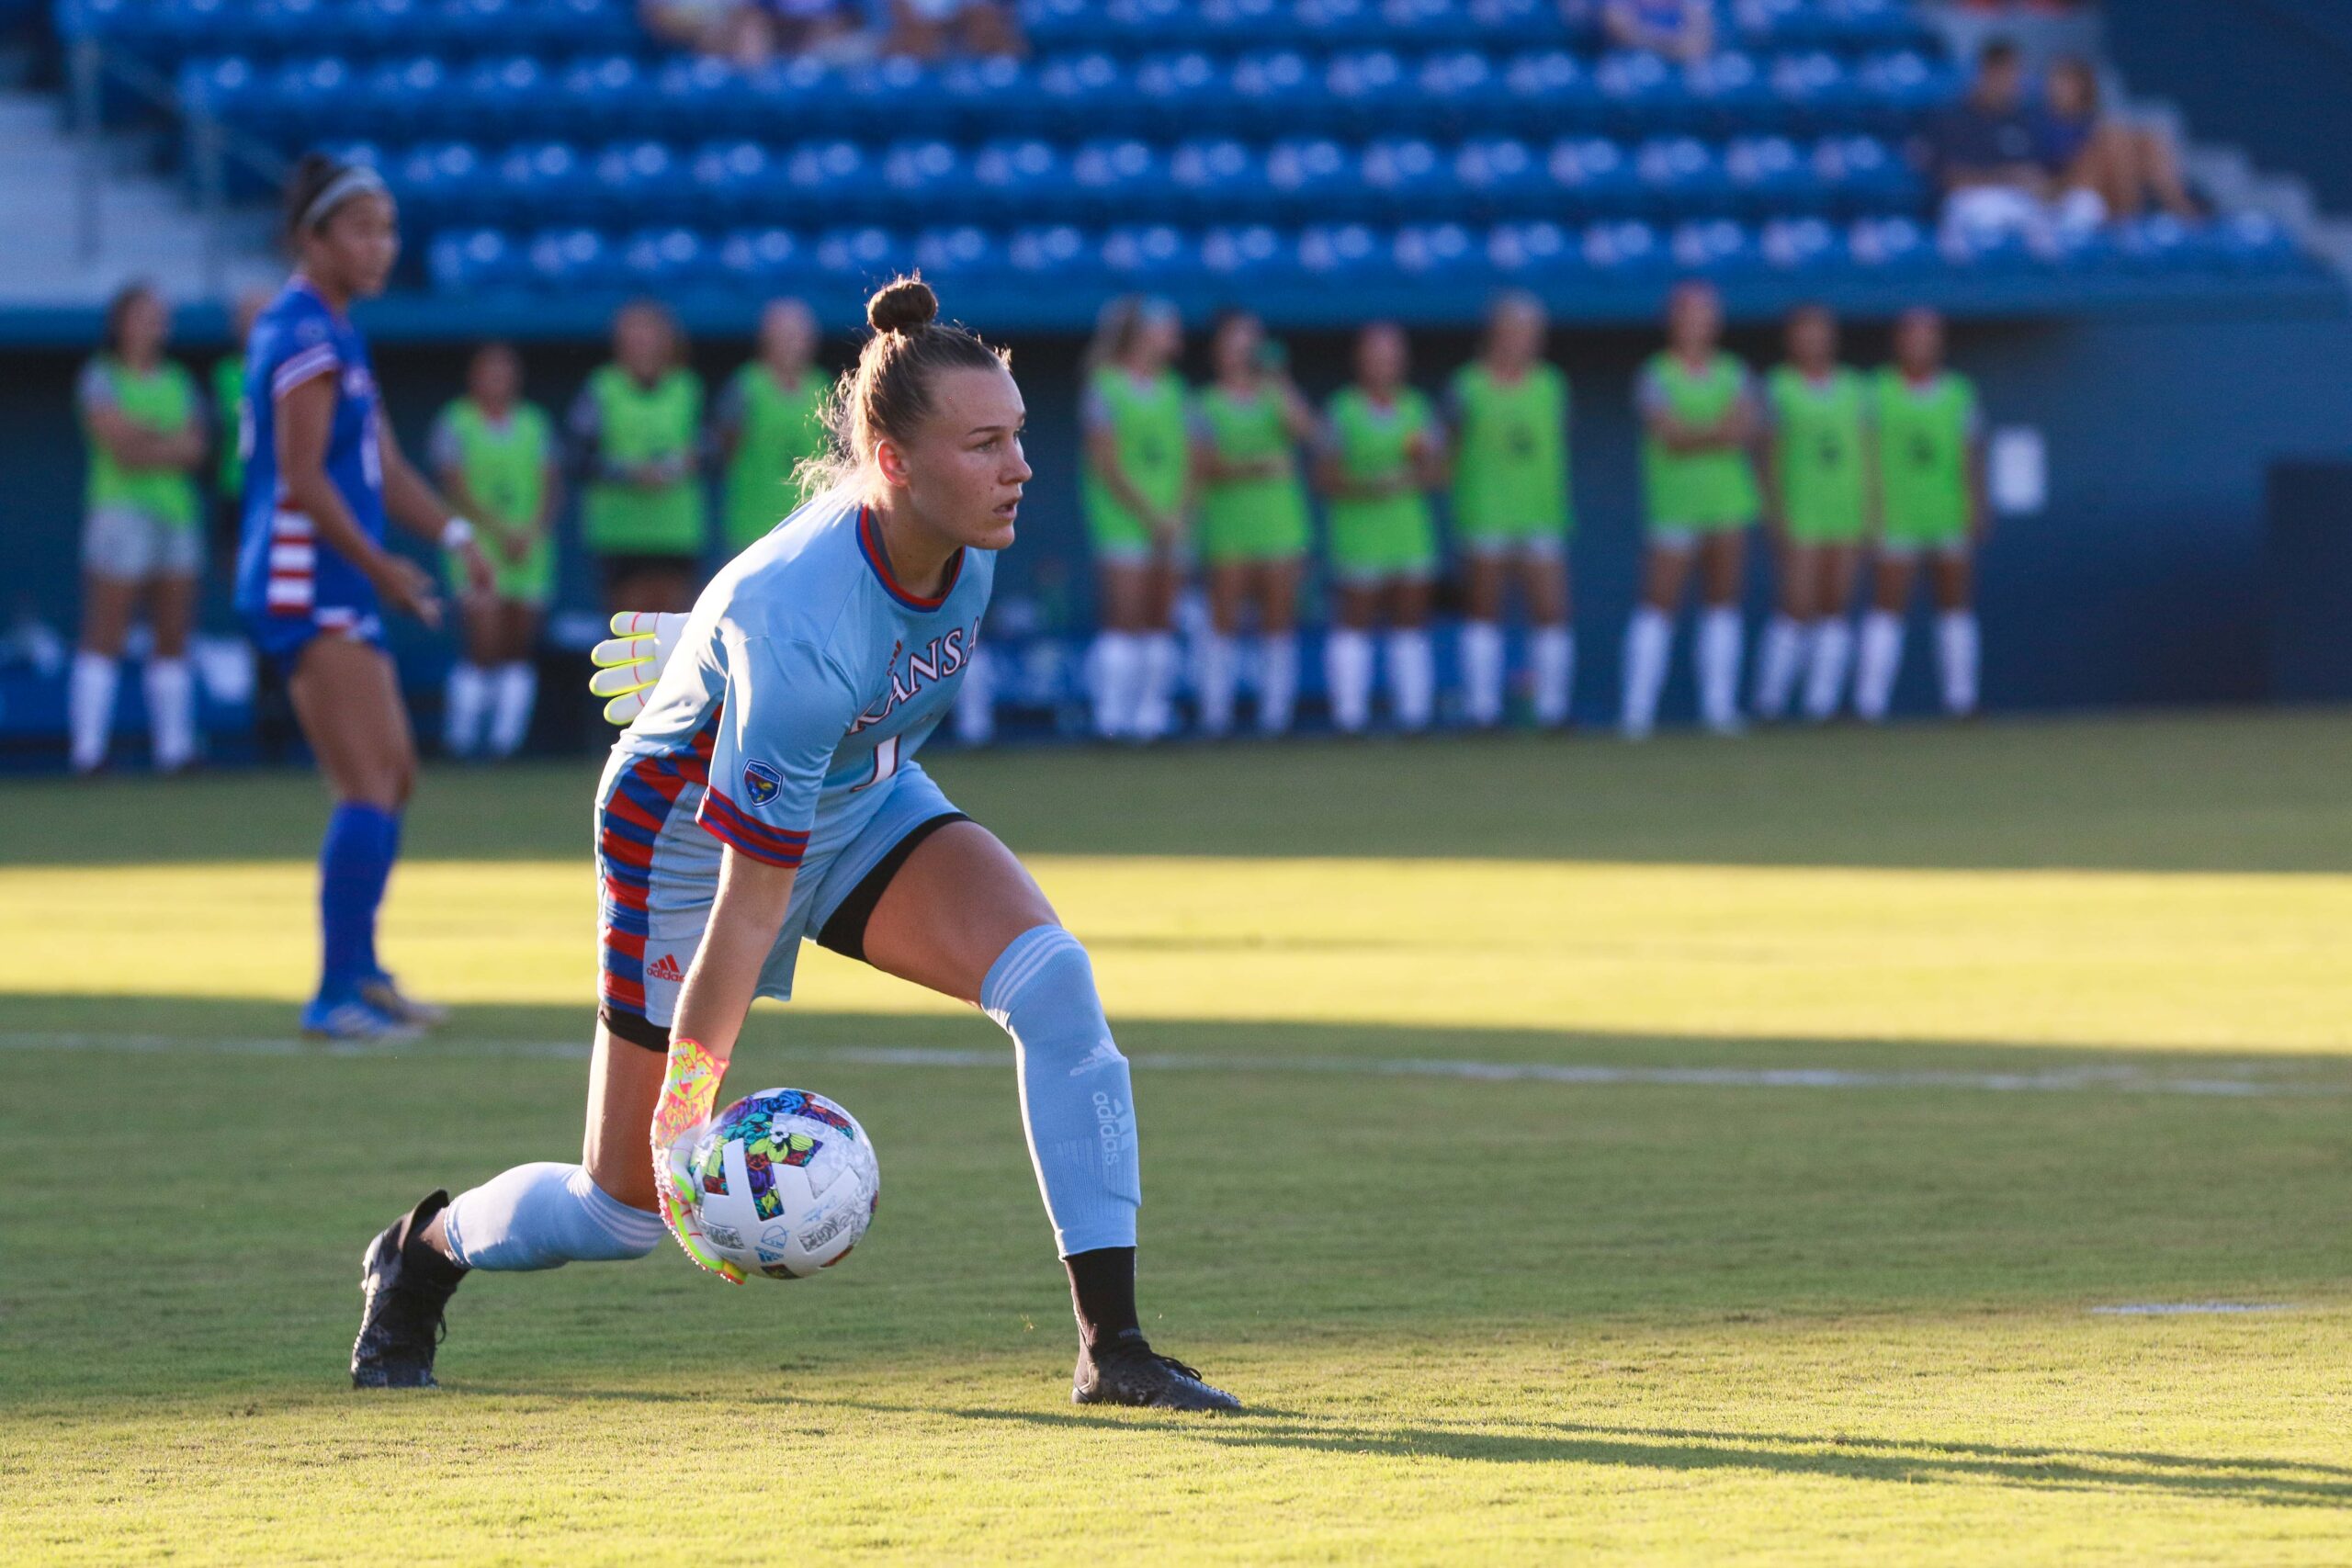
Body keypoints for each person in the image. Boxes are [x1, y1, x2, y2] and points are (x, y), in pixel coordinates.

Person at [349, 276, 1240, 1416]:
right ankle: (425, 1251)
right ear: (894, 458)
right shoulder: (805, 623)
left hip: (855, 792)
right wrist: (691, 1096)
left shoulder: (970, 539)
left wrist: (705, 657)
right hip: (681, 847)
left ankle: (1114, 1351)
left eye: (1018, 436)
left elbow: (824, 650)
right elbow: (750, 892)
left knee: (1055, 984)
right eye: (984, 444)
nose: (1020, 467)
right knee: (623, 1210)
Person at [233, 154, 493, 1041]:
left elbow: (379, 462)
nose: (381, 245)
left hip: (338, 578)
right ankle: (334, 992)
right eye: (361, 229)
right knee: (366, 781)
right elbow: (302, 479)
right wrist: (386, 568)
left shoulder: (334, 328)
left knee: (394, 774)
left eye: (387, 228)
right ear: (311, 239)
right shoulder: (300, 331)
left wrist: (453, 536)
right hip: (306, 581)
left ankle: (363, 971)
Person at [70, 283, 209, 776]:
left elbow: (196, 449)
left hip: (177, 516)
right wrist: (165, 441)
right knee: (106, 630)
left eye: (160, 315)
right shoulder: (99, 377)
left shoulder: (179, 380)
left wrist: (148, 439)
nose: (155, 324)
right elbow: (121, 447)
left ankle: (174, 749)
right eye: (144, 314)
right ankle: (88, 752)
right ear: (121, 322)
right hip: (119, 515)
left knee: (173, 633)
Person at [1621, 279, 1759, 739]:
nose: (1698, 324)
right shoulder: (1654, 374)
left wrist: (1698, 433)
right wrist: (1713, 432)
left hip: (1727, 501)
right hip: (1674, 505)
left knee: (1722, 603)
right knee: (1657, 604)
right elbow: (1670, 436)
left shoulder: (1735, 372)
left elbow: (1744, 427)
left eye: (1706, 314)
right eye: (1689, 314)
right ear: (1673, 320)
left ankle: (1719, 707)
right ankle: (1637, 711)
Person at [1447, 292, 1576, 731]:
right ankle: (1482, 709)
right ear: (1496, 332)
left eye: (1533, 332)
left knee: (1551, 612)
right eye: (1516, 330)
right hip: (1485, 512)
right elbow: (1447, 449)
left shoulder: (1551, 385)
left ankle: (1553, 710)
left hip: (1540, 514)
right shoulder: (1467, 386)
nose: (1525, 340)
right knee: (1483, 611)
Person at [1189, 310, 1315, 738]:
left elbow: (1308, 432)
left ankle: (1276, 715)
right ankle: (1215, 714)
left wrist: (1279, 380)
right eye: (1235, 340)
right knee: (1222, 620)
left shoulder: (1275, 393)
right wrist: (1256, 467)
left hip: (1280, 523)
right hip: (1228, 525)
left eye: (1251, 339)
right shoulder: (1205, 403)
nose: (1244, 348)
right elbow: (1202, 467)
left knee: (1279, 620)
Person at [1315, 321, 1445, 736]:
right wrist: (1369, 486)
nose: (1384, 364)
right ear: (1359, 360)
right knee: (1354, 620)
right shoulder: (1342, 410)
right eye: (1376, 355)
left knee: (1411, 621)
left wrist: (1412, 474)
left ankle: (1414, 714)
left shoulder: (1417, 410)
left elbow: (1438, 471)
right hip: (1358, 534)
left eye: (1392, 355)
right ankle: (1350, 716)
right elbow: (1325, 478)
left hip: (1408, 532)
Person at [1856, 308, 1985, 722]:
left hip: (1946, 511)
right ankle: (1869, 704)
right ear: (1899, 341)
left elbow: (1971, 454)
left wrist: (1975, 504)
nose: (1919, 344)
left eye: (1928, 336)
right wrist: (1870, 510)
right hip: (1896, 514)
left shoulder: (1959, 392)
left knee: (1955, 605)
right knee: (1886, 605)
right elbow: (1866, 455)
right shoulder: (1877, 391)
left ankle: (1961, 700)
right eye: (1912, 336)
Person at [433, 343, 560, 760]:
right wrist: (501, 531)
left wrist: (530, 531)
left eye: (505, 372)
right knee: (482, 644)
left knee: (518, 645)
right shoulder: (455, 422)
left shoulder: (535, 424)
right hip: (477, 550)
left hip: (529, 550)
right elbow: (453, 485)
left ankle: (507, 743)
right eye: (489, 372)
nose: (498, 381)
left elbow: (550, 485)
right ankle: (463, 739)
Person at [1753, 304, 1871, 723]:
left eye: (1820, 333)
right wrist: (1773, 509)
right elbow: (1767, 453)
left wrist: (1872, 505)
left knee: (1836, 604)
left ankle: (1822, 702)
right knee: (1795, 605)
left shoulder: (1856, 388)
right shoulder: (1777, 387)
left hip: (1846, 508)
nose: (1813, 342)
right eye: (1804, 333)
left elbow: (1866, 450)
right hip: (1801, 508)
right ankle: (1770, 700)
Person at [1080, 297, 1190, 741]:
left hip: (1169, 521)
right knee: (1124, 617)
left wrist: (1177, 514)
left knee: (1161, 618)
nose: (1174, 336)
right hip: (1122, 520)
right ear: (1143, 334)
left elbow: (1190, 460)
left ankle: (1151, 713)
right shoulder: (1104, 386)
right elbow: (1106, 462)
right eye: (1166, 328)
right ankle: (1111, 717)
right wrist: (1151, 515)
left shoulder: (1175, 389)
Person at [572, 299, 706, 616]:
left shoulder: (687, 388)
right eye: (633, 336)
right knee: (627, 634)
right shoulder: (601, 388)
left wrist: (684, 462)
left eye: (649, 335)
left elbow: (710, 446)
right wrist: (629, 473)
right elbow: (577, 455)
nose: (642, 345)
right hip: (619, 534)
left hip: (676, 532)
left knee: (672, 630)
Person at [1928, 39, 2102, 255]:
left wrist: (2051, 186)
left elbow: (2044, 174)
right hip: (1977, 199)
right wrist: (2010, 177)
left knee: (2085, 204)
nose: (2015, 81)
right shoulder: (1956, 116)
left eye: (2017, 73)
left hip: (2025, 201)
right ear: (1988, 72)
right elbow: (1952, 179)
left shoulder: (2027, 117)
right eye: (2008, 73)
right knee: (1986, 213)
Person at [717, 298, 831, 559]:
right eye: (784, 336)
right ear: (766, 340)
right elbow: (723, 449)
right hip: (751, 530)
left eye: (799, 336)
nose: (793, 344)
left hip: (810, 528)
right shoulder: (745, 387)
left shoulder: (823, 387)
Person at [2038, 54, 2197, 224]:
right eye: (2057, 81)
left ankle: (2185, 215)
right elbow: (2042, 172)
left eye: (2068, 82)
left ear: (2083, 86)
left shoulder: (2089, 120)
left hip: (2100, 187)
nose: (2059, 88)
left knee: (2148, 139)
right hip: (2061, 189)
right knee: (2114, 140)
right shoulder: (2039, 121)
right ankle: (2129, 219)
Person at [210, 286, 271, 552]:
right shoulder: (224, 373)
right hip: (238, 489)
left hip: (287, 492)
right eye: (249, 318)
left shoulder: (298, 373)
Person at [1598, 0, 1713, 64]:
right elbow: (1620, 31)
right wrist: (1672, 45)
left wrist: (1653, 41)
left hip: (1682, 64)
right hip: (1626, 60)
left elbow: (1700, 41)